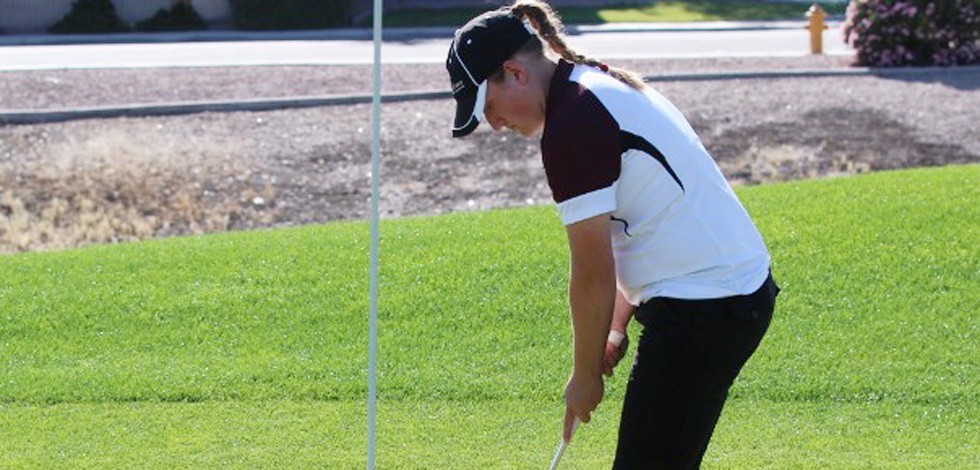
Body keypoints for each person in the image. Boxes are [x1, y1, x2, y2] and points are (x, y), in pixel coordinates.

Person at [445, 1, 780, 468]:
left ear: (515, 73)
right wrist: (616, 328)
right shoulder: (590, 89)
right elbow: (637, 227)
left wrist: (584, 376)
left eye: (487, 106)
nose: (495, 124)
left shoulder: (573, 126)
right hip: (723, 295)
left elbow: (592, 271)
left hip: (710, 305)